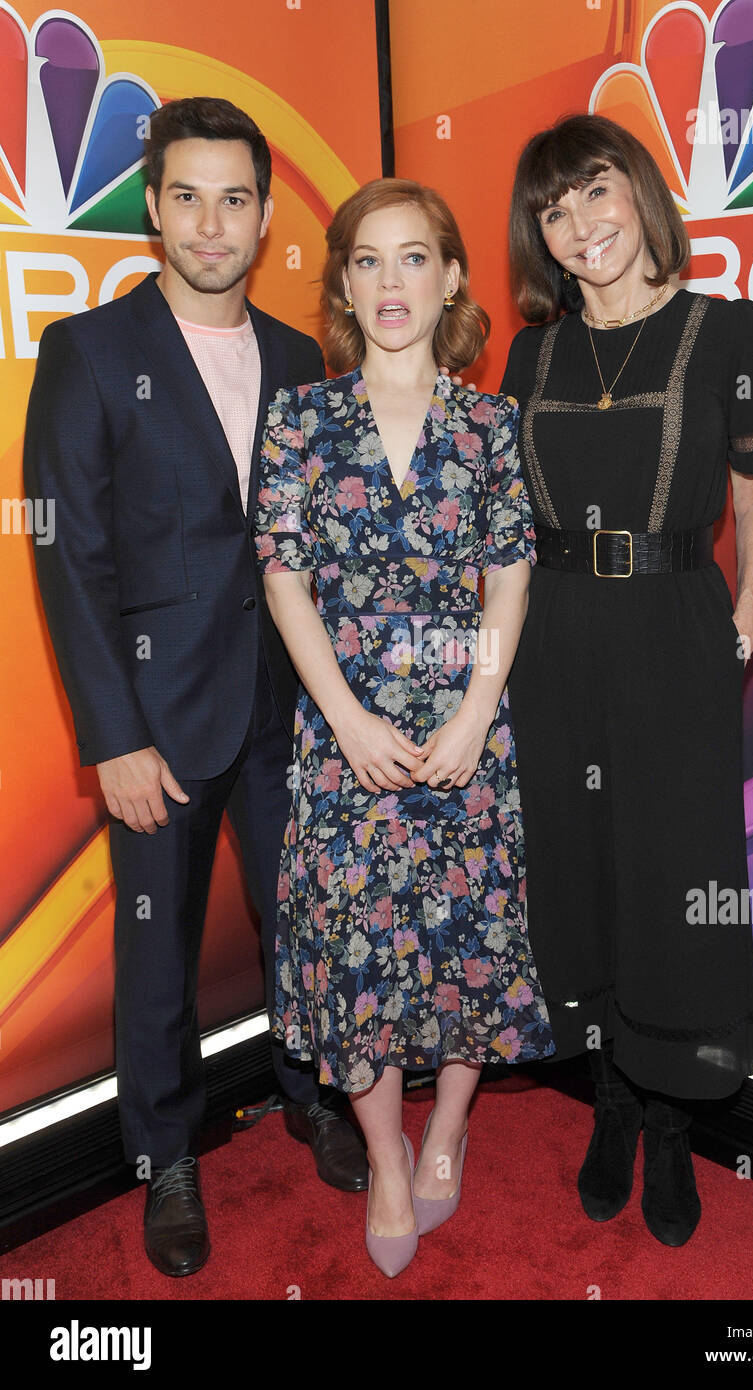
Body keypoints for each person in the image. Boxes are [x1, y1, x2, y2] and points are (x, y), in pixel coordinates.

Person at [23, 96, 367, 1279]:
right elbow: (68, 558)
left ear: (265, 216)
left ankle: (313, 1094)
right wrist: (111, 735)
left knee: (303, 928)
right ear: (152, 208)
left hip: (285, 710)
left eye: (234, 198)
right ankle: (163, 1156)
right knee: (157, 955)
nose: (211, 223)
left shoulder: (294, 356)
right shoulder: (89, 351)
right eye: (187, 196)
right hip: (157, 723)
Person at [253, 176, 555, 1277]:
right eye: (367, 260)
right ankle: (384, 1152)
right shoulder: (298, 416)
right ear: (341, 281)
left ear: (451, 278)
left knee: (468, 940)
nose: (390, 282)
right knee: (358, 954)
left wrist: (478, 703)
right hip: (345, 738)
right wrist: (342, 720)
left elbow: (508, 578)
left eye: (413, 257)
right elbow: (283, 578)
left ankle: (447, 1126)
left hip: (465, 732)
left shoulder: (488, 424)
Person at [500, 114, 753, 1246]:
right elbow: (503, 527)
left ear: (640, 193)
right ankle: (609, 1098)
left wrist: (747, 613)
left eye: (595, 192)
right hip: (555, 635)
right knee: (578, 866)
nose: (579, 226)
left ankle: (670, 1119)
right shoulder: (530, 353)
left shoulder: (728, 331)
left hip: (674, 623)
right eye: (552, 211)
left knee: (675, 872)